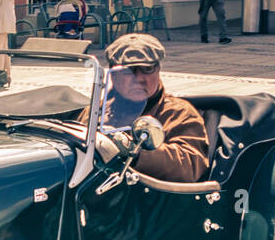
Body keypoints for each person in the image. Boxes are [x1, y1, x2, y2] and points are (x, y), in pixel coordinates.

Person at [77, 33, 208, 183]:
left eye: (147, 69)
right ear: (113, 75)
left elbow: (190, 165)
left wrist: (134, 150)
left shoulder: (178, 113)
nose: (139, 78)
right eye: (128, 71)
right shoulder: (97, 111)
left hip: (149, 200)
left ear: (158, 70)